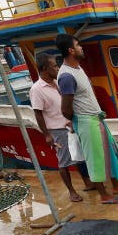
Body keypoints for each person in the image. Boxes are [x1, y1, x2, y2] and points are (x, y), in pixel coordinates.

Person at [54, 34, 118, 205]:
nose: (81, 47)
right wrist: (78, 121)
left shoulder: (77, 68)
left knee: (110, 152)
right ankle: (104, 195)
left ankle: (116, 185)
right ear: (70, 50)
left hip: (96, 119)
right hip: (86, 122)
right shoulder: (67, 76)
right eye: (78, 45)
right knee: (94, 159)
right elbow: (65, 109)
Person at [29, 52, 95, 202]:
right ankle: (71, 191)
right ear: (45, 68)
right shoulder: (37, 89)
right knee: (64, 162)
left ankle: (88, 183)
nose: (57, 68)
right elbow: (38, 114)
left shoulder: (58, 82)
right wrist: (47, 135)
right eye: (54, 66)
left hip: (72, 125)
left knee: (81, 157)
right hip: (57, 130)